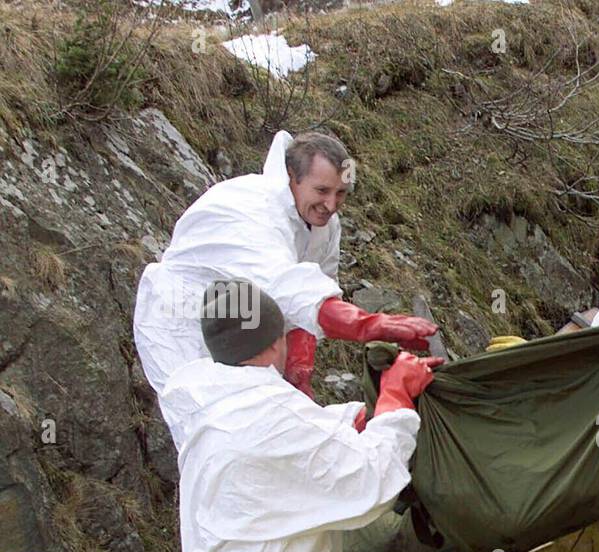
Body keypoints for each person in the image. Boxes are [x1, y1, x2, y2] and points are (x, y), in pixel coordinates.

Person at [158, 279, 442, 552]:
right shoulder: (274, 414)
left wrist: (367, 414)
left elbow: (300, 436)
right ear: (278, 340)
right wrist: (396, 396)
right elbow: (371, 481)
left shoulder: (210, 405)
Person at [134, 130, 437, 411]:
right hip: (183, 327)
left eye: (341, 193)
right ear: (293, 177)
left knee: (275, 422)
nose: (331, 205)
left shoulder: (324, 226)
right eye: (322, 190)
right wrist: (371, 325)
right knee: (216, 429)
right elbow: (288, 287)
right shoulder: (249, 204)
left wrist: (299, 369)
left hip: (248, 327)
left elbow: (317, 287)